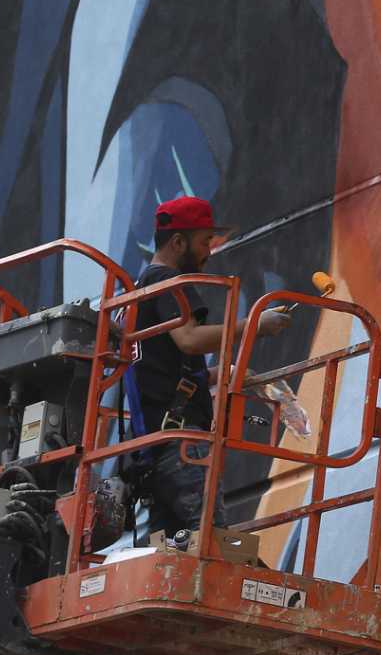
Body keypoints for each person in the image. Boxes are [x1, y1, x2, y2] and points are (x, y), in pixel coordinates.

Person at [123, 195, 290, 542]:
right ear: (178, 242)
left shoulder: (139, 293)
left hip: (153, 450)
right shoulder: (169, 284)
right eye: (203, 242)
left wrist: (218, 373)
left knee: (168, 551)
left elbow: (164, 366)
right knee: (210, 544)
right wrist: (255, 325)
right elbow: (189, 339)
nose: (209, 252)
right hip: (181, 444)